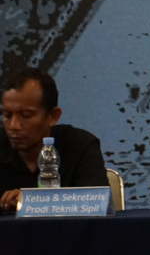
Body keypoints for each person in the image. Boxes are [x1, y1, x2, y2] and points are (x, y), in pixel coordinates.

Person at [1, 68, 108, 211]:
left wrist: (31, 202)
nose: (13, 126)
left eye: (26, 115)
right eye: (7, 115)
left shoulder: (80, 145)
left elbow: (97, 204)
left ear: (53, 116)